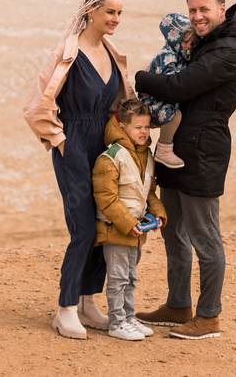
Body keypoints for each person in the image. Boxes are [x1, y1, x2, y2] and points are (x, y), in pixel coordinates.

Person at [134, 0, 236, 340]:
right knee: (172, 228)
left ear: (222, 8)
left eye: (204, 9)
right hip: (178, 149)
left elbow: (179, 87)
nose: (197, 16)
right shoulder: (205, 42)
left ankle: (208, 317)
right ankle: (178, 305)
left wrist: (141, 78)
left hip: (204, 151)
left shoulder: (227, 52)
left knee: (205, 236)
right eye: (192, 10)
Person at [22, 0, 133, 340]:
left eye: (119, 13)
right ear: (90, 12)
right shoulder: (66, 53)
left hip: (106, 148)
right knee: (83, 228)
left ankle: (88, 303)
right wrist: (62, 142)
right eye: (110, 12)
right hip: (74, 146)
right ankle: (65, 308)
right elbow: (37, 105)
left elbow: (121, 103)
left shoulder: (114, 54)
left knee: (104, 224)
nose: (115, 19)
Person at [92, 98, 167, 341]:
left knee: (130, 277)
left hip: (136, 229)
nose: (144, 132)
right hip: (117, 229)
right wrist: (128, 223)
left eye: (146, 127)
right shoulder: (111, 157)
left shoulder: (145, 156)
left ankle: (128, 316)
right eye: (138, 127)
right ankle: (116, 322)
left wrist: (158, 212)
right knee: (118, 278)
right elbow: (105, 198)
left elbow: (148, 193)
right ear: (123, 126)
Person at [138, 12, 200, 169]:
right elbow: (168, 84)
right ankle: (164, 150)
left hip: (161, 97)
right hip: (154, 100)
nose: (188, 46)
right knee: (175, 116)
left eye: (192, 44)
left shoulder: (178, 55)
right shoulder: (167, 56)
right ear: (174, 38)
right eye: (185, 41)